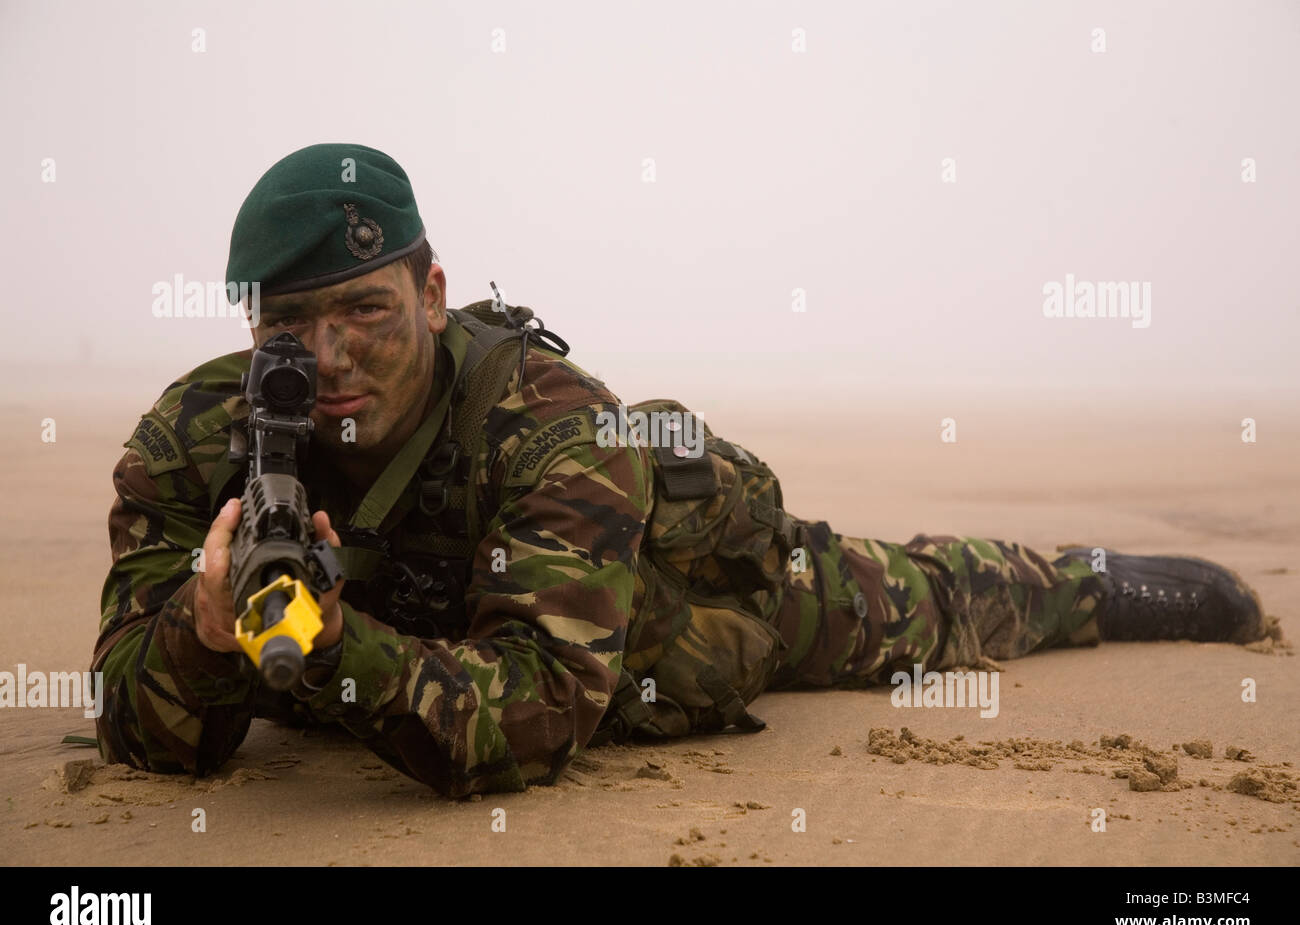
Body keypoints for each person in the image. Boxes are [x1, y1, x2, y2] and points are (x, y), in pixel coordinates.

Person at [91, 144, 1280, 798]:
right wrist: (201, 632)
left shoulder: (555, 427)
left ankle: (1091, 578)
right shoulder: (193, 440)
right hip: (439, 635)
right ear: (250, 326)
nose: (333, 359)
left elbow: (540, 715)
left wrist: (341, 649)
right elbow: (135, 726)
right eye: (292, 329)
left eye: (367, 310)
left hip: (679, 599)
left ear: (433, 292)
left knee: (922, 601)